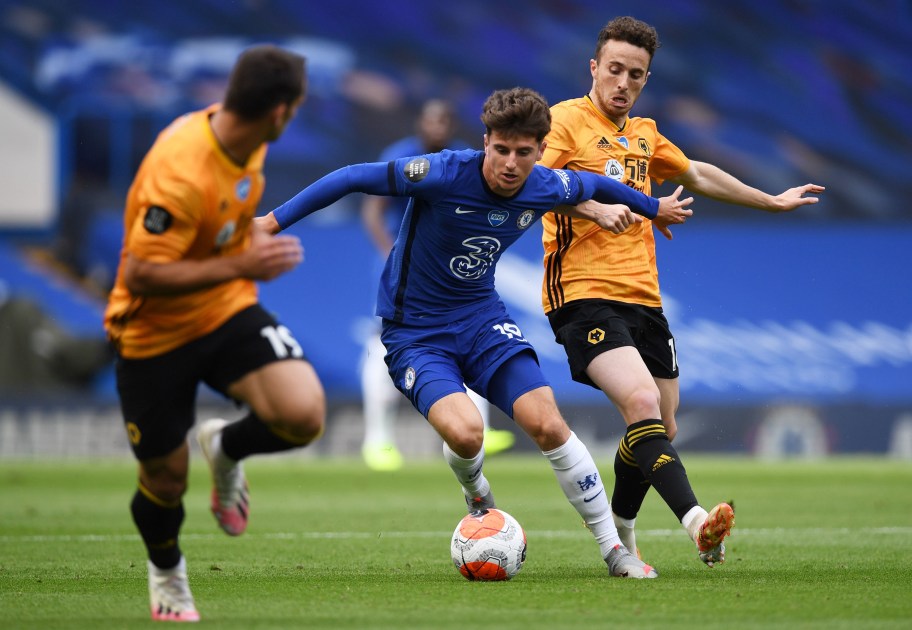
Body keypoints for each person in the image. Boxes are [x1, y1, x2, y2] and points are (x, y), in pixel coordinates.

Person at [258, 87, 694, 578]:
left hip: (483, 320)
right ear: (486, 141)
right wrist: (271, 222)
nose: (510, 163)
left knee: (548, 423)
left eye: (523, 153)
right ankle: (476, 489)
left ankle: (616, 553)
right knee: (468, 435)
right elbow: (351, 178)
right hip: (416, 332)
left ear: (538, 151)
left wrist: (653, 209)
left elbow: (597, 187)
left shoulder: (545, 184)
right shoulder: (443, 172)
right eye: (501, 149)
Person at [539, 16, 825, 567]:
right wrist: (597, 207)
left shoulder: (643, 133)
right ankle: (698, 524)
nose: (623, 82)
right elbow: (536, 187)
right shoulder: (564, 122)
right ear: (594, 68)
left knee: (658, 428)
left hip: (645, 298)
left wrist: (772, 200)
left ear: (646, 80)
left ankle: (620, 530)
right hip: (581, 293)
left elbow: (695, 172)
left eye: (636, 74)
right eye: (615, 69)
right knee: (643, 404)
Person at [104, 45, 325, 622]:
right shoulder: (180, 171)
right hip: (153, 330)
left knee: (303, 414)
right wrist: (239, 266)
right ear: (279, 111)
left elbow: (224, 229)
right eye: (296, 106)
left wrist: (240, 257)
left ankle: (225, 447)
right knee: (165, 479)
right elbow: (139, 273)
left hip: (223, 310)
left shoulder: (247, 142)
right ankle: (168, 574)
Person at [359, 98, 514, 471]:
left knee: (465, 341)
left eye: (445, 120)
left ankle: (481, 428)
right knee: (382, 348)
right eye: (432, 119)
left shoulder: (459, 158)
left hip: (446, 274)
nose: (438, 126)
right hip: (403, 272)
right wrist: (387, 251)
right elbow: (373, 209)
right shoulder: (402, 155)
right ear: (420, 122)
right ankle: (377, 440)